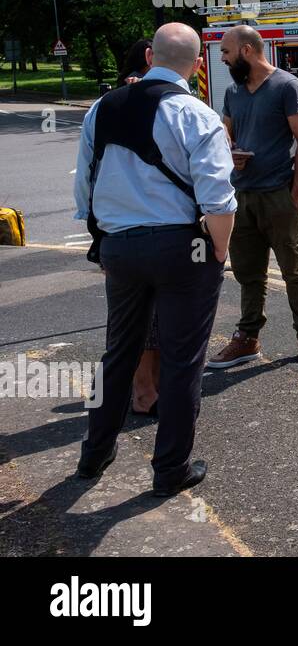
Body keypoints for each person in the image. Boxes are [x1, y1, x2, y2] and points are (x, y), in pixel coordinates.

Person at [72, 23, 236, 496]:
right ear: (197, 64)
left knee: (116, 354)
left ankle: (94, 454)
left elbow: (84, 182)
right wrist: (218, 253)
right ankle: (170, 471)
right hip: (184, 247)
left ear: (149, 57)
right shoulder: (195, 114)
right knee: (183, 361)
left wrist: (101, 239)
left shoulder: (102, 108)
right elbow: (218, 200)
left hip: (119, 245)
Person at [208, 25, 298, 369]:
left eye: (226, 52)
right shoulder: (233, 91)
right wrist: (232, 153)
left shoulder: (287, 86)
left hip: (278, 195)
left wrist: (296, 194)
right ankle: (247, 339)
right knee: (248, 273)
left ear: (246, 50)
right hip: (242, 195)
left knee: (294, 272)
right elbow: (225, 135)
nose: (224, 59)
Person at [115, 37, 163, 415]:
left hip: (121, 229)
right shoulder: (137, 97)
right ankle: (144, 392)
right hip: (148, 226)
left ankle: (147, 388)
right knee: (146, 320)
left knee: (141, 319)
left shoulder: (117, 102)